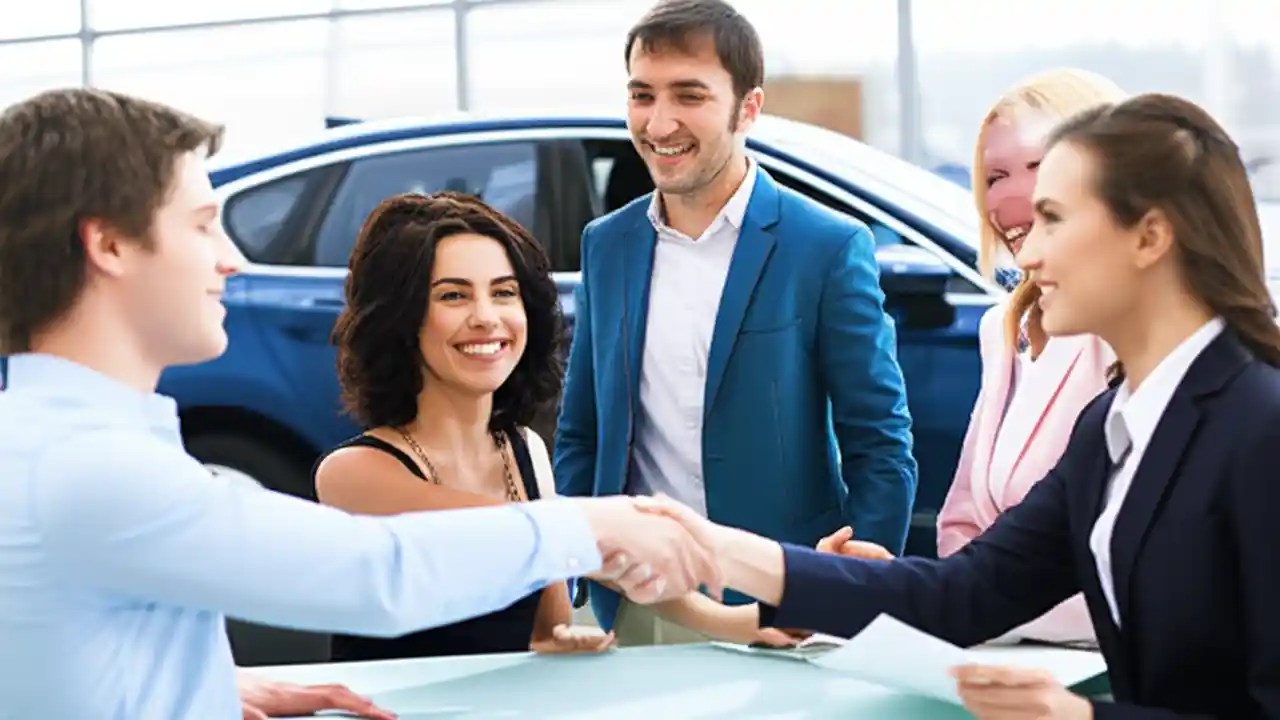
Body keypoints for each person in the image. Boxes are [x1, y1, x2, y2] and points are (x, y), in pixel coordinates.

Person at [0, 87, 721, 719]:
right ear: (110, 246)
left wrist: (209, 683)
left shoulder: (51, 445)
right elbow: (382, 574)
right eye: (201, 223)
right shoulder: (90, 467)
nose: (233, 257)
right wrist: (595, 525)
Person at [643, 92, 1280, 719]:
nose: (1027, 252)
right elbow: (965, 594)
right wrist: (713, 550)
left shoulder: (1261, 425)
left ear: (1150, 237)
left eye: (1055, 218)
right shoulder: (1113, 428)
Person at [554, 0, 916, 646]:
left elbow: (880, 441)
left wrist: (852, 596)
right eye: (642, 95)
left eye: (688, 95)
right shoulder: (606, 245)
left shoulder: (825, 246)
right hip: (637, 600)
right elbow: (583, 430)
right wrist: (574, 576)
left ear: (749, 108)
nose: (658, 122)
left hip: (785, 607)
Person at [313, 191, 614, 659]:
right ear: (403, 318)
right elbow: (536, 534)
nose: (486, 318)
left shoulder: (525, 451)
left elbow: (548, 632)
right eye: (453, 295)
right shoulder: (352, 473)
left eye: (503, 293)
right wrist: (626, 533)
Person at [934, 68, 1125, 648]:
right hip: (1007, 656)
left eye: (1036, 169)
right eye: (995, 176)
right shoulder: (1003, 328)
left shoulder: (1126, 332)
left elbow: (1126, 566)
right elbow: (962, 519)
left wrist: (986, 609)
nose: (1011, 200)